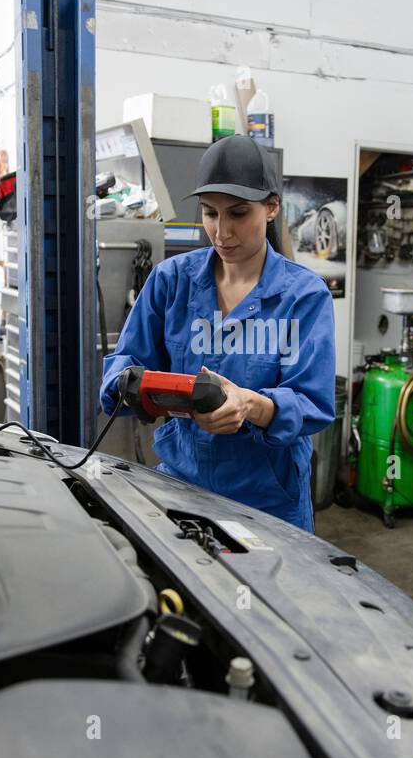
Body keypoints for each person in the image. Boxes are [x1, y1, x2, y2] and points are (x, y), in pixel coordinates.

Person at [99, 136, 336, 532]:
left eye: (239, 214)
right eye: (210, 213)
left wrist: (251, 406)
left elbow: (312, 402)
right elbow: (123, 367)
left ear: (272, 207)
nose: (221, 231)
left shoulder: (304, 295)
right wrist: (134, 387)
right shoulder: (171, 281)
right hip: (181, 484)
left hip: (268, 500)